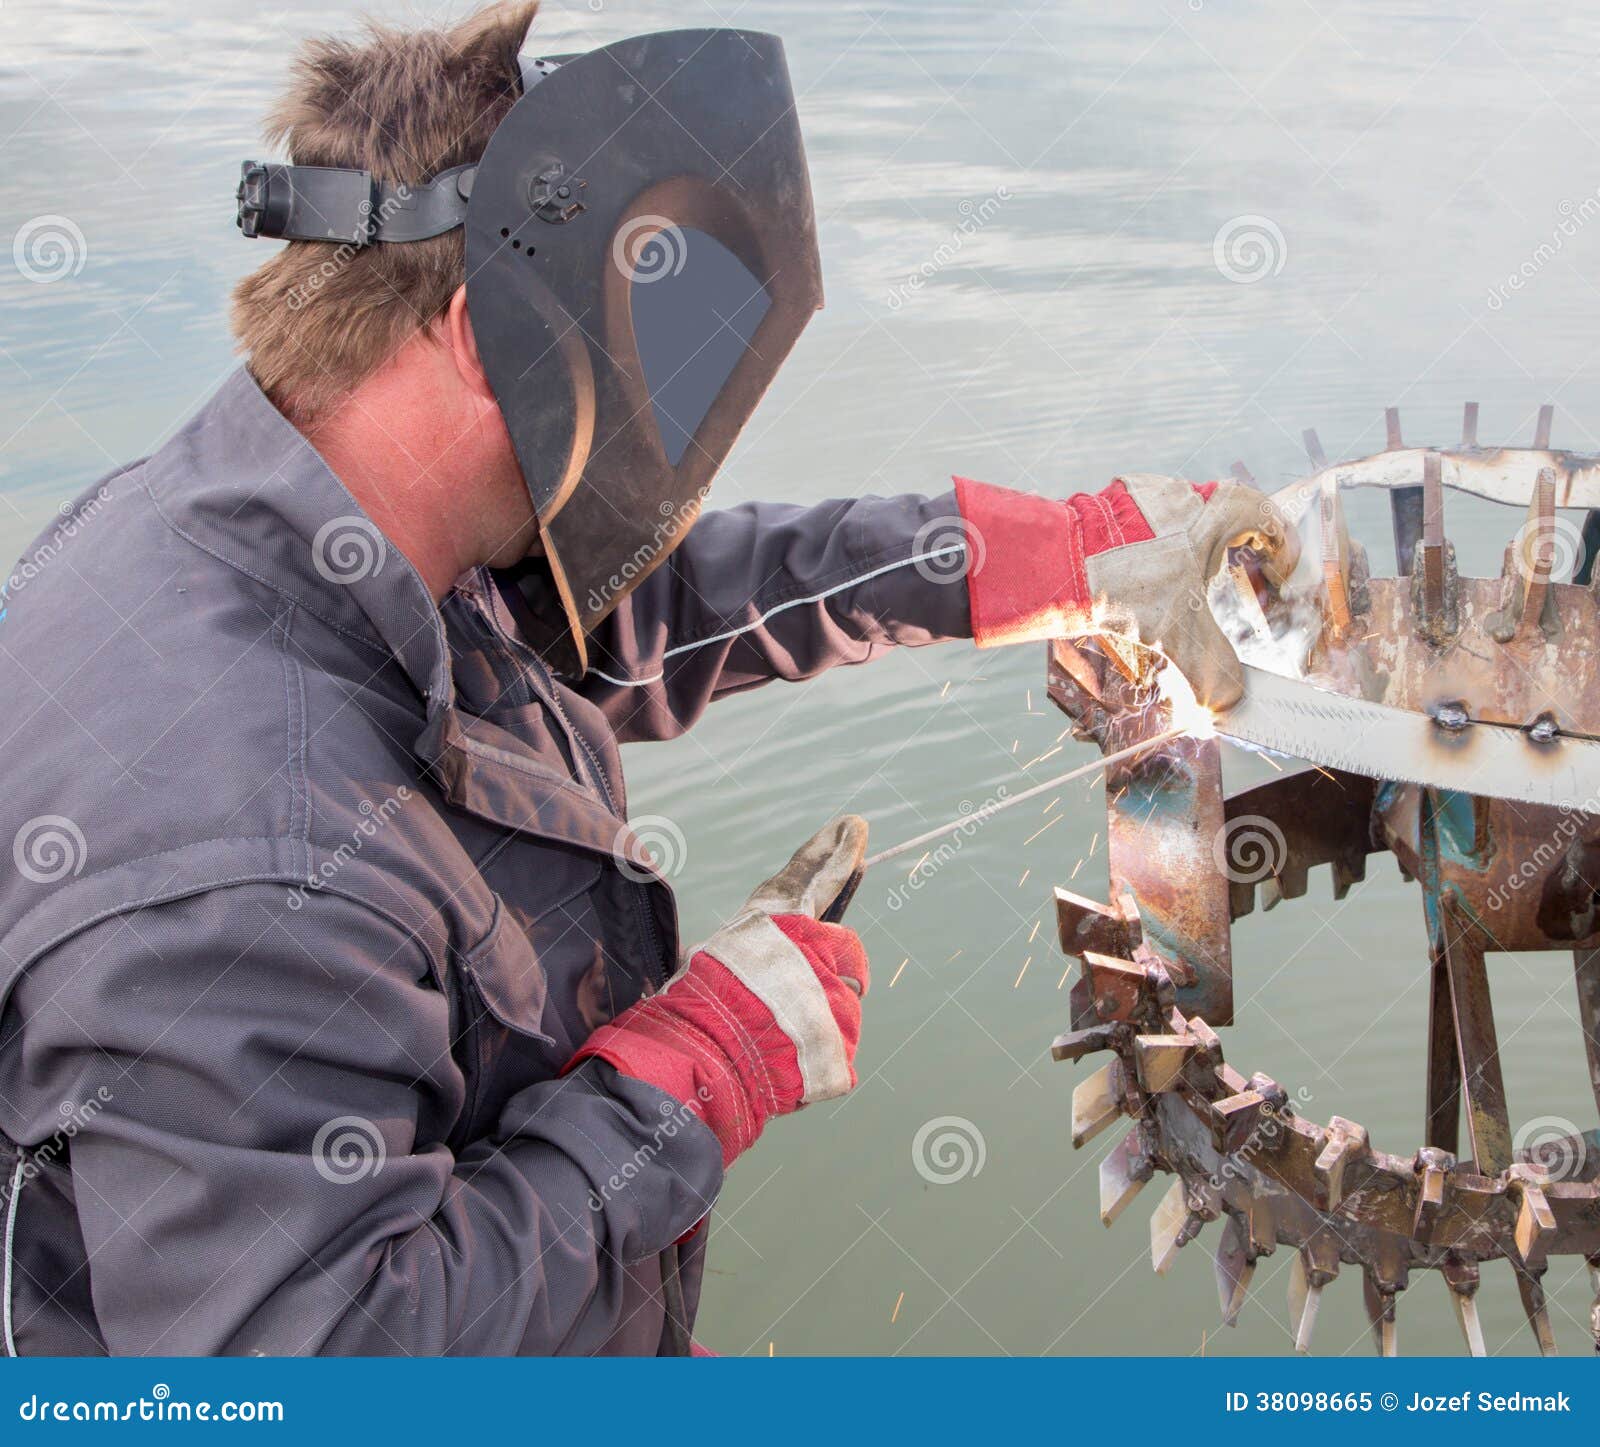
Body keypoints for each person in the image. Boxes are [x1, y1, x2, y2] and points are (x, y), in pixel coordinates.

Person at [0, 3, 1295, 1356]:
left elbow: (597, 612)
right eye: (623, 360)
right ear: (479, 334)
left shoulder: (303, 507)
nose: (649, 430)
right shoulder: (242, 862)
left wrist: (1017, 559)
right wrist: (683, 1082)